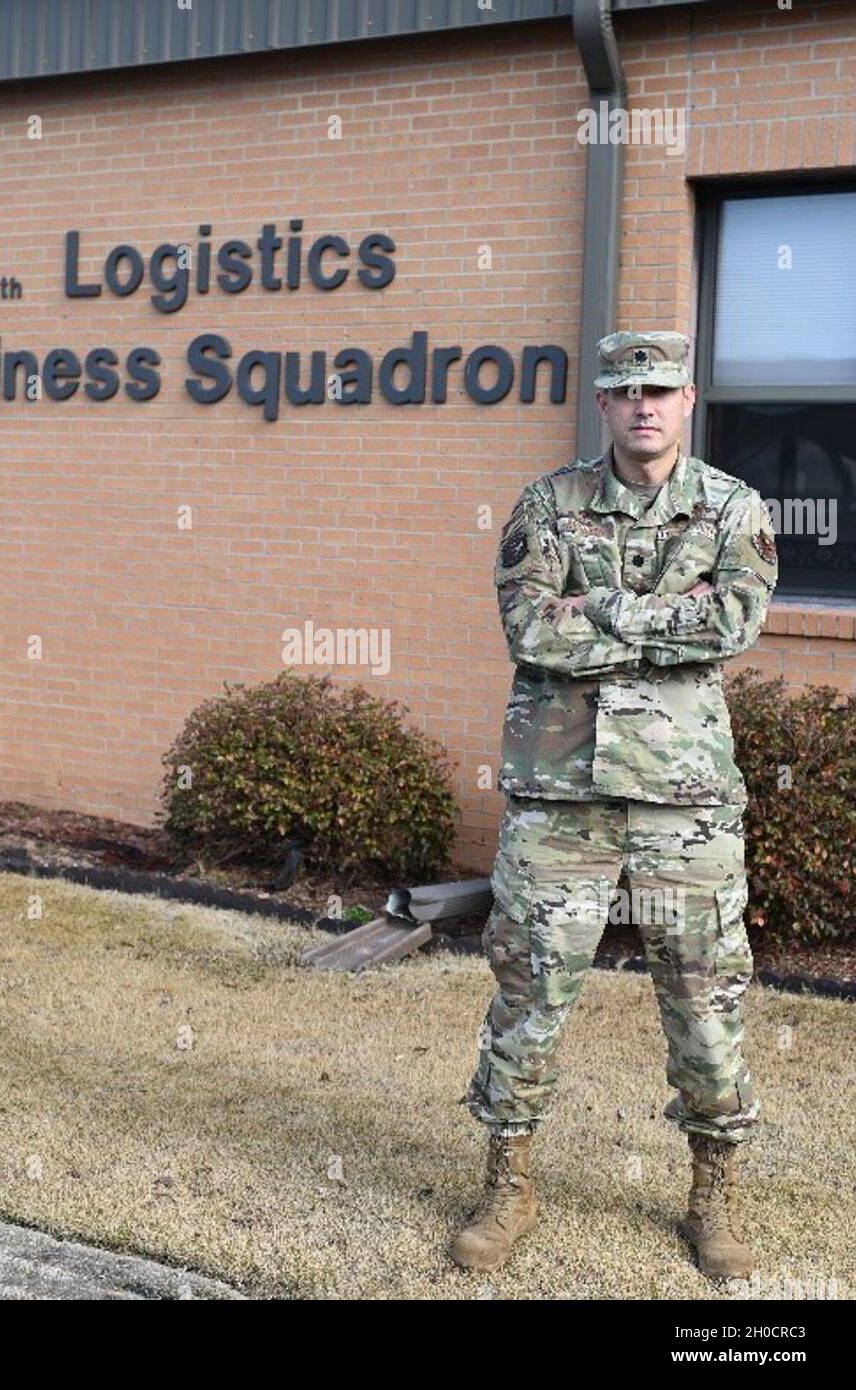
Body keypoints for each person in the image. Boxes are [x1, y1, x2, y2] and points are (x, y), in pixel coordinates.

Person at [452, 329, 778, 1282]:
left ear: (688, 401)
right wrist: (657, 626)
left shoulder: (732, 507)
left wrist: (598, 615)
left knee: (706, 999)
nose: (644, 403)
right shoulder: (545, 506)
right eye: (626, 388)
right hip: (562, 800)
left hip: (686, 806)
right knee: (530, 994)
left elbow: (735, 621)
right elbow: (528, 628)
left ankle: (712, 1193)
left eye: (661, 389)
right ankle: (507, 1184)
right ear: (601, 402)